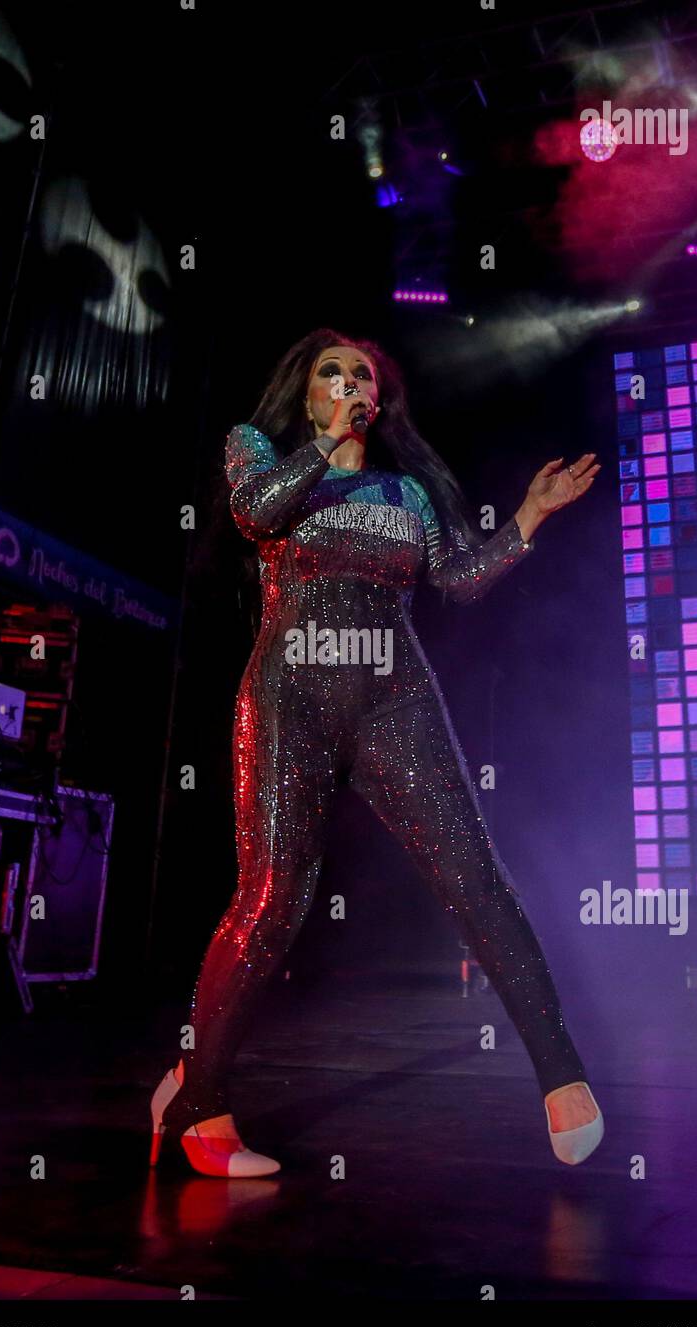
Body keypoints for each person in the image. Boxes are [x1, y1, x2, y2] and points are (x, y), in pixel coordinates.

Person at [149, 328, 603, 1177]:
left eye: (364, 375)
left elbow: (457, 581)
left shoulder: (406, 493)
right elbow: (256, 512)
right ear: (308, 392)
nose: (352, 384)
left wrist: (530, 516)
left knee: (476, 877)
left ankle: (561, 1073)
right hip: (293, 693)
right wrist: (324, 443)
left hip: (395, 695)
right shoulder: (260, 450)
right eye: (333, 373)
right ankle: (197, 1098)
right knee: (274, 900)